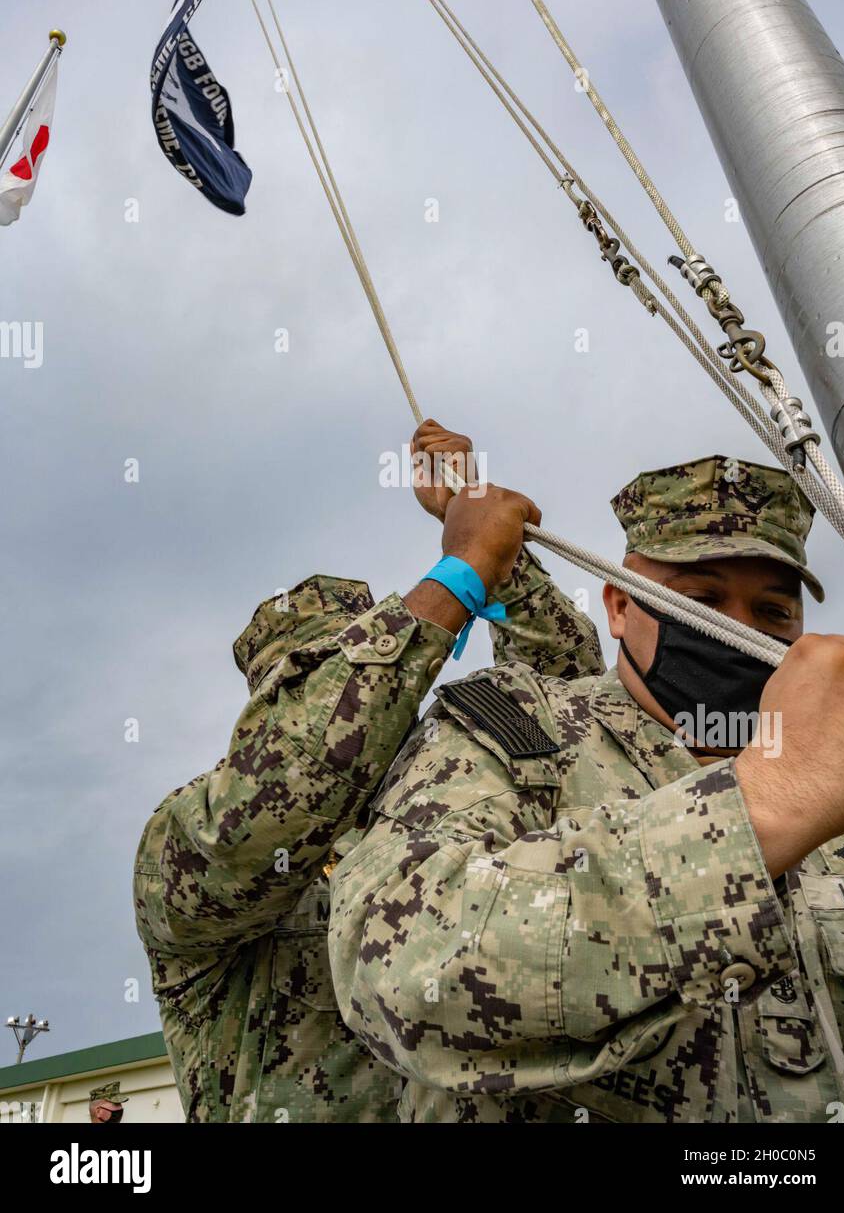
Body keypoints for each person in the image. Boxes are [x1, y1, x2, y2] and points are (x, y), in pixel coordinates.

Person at [328, 443, 844, 1122]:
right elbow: (395, 970)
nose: (736, 630)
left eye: (772, 612)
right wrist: (755, 814)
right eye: (701, 599)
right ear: (618, 608)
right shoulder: (518, 731)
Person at [133, 422, 603, 1121]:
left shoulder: (439, 806)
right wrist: (460, 574)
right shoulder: (188, 843)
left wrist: (486, 538)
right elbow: (294, 778)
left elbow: (570, 718)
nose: (365, 701)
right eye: (316, 686)